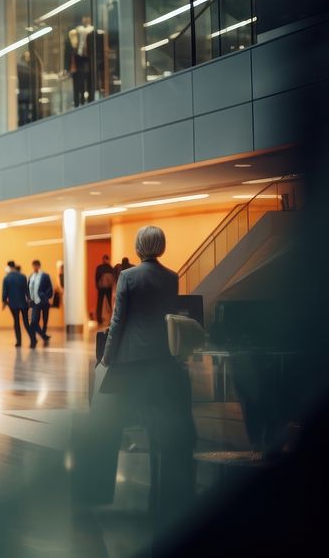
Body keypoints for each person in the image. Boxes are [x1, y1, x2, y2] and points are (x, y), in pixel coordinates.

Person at [100, 225, 195, 527]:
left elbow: (118, 320)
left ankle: (115, 475)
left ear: (140, 246)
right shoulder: (171, 276)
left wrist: (107, 355)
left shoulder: (128, 276)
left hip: (131, 357)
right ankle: (159, 478)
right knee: (157, 414)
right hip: (161, 355)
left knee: (121, 414)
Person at [1, 260, 30, 347]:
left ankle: (19, 342)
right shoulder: (23, 276)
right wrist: (29, 300)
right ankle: (33, 339)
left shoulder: (6, 278)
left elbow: (4, 292)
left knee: (16, 322)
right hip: (23, 303)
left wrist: (4, 302)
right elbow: (26, 290)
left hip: (13, 304)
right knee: (26, 322)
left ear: (9, 267)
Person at [28, 259, 54, 347]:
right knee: (34, 321)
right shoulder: (31, 276)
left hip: (43, 301)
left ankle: (42, 335)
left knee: (45, 319)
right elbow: (28, 288)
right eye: (33, 266)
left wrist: (46, 296)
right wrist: (28, 299)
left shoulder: (45, 276)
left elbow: (50, 288)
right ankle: (42, 336)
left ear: (39, 266)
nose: (34, 267)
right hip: (34, 302)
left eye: (36, 266)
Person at [95, 254, 116, 324]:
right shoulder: (111, 268)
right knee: (110, 303)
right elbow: (113, 278)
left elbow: (96, 278)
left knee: (99, 304)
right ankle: (112, 319)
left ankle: (99, 320)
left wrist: (97, 286)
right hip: (108, 288)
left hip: (101, 288)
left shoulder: (99, 267)